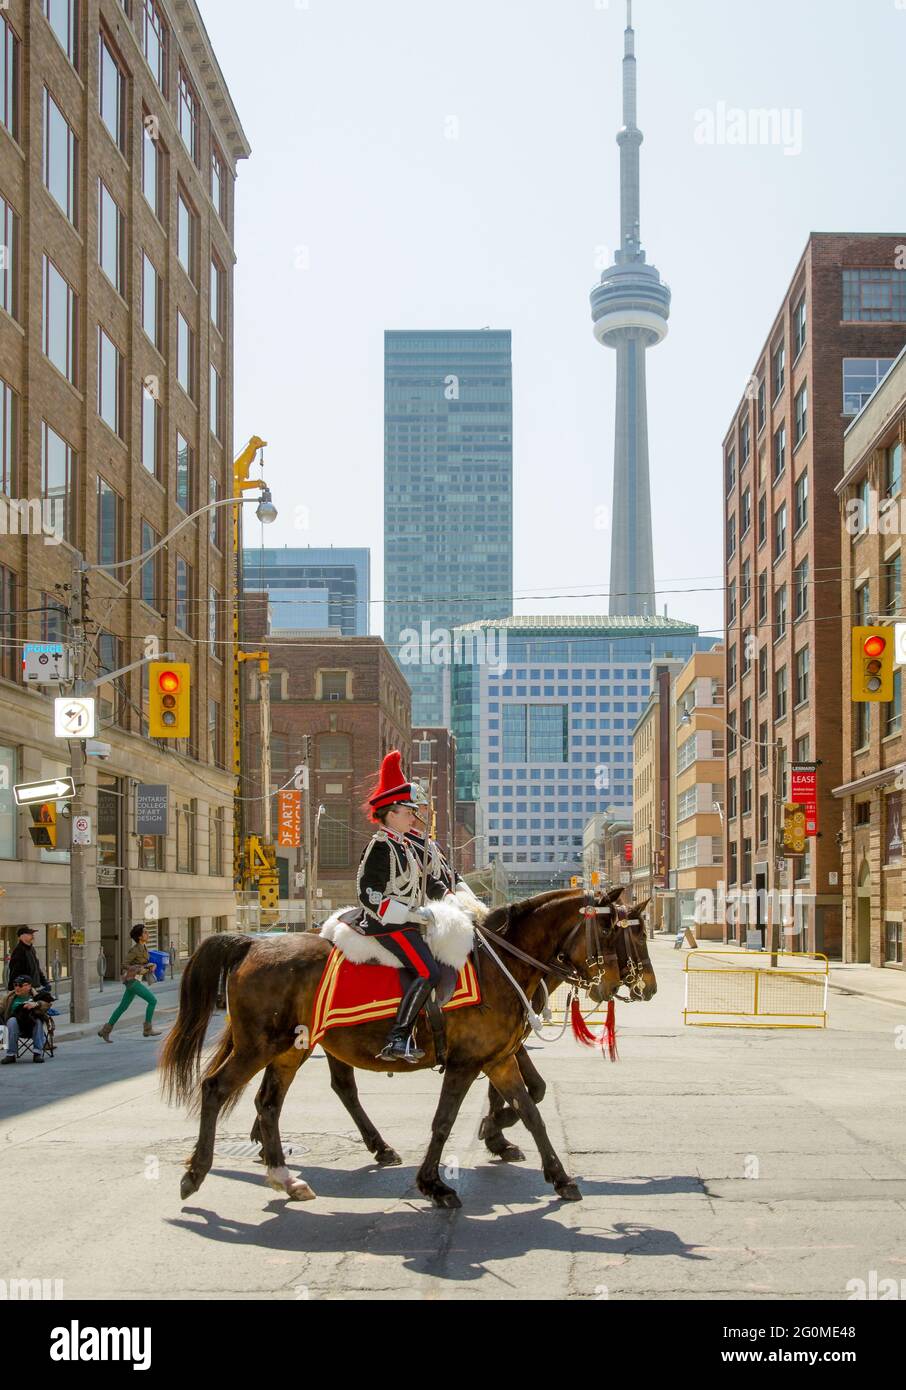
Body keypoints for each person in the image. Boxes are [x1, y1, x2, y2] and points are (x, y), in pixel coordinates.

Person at [356, 751, 470, 1063]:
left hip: (413, 922)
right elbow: (369, 894)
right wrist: (409, 913)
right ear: (391, 812)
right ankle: (398, 1037)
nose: (413, 817)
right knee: (429, 971)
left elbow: (429, 881)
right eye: (408, 811)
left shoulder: (407, 845)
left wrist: (451, 900)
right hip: (387, 925)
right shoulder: (381, 846)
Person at [97, 925, 161, 1042]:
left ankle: (104, 1031)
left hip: (135, 981)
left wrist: (150, 965)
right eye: (145, 932)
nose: (148, 934)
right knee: (152, 1000)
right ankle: (147, 1029)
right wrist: (138, 968)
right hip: (132, 981)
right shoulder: (135, 950)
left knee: (122, 1007)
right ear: (140, 936)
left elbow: (144, 963)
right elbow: (124, 965)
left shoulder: (144, 947)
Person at [2, 975, 48, 1063]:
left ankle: (37, 1053)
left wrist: (37, 1003)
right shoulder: (9, 997)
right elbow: (1, 1006)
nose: (17, 988)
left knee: (38, 1021)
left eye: (20, 985)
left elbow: (47, 1004)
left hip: (32, 1026)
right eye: (15, 985)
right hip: (15, 1028)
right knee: (11, 1021)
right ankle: (11, 1055)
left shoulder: (37, 995)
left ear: (29, 986)